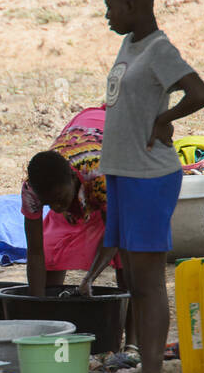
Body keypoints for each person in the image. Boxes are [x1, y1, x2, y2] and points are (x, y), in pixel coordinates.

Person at [83, 0, 204, 373]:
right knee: (135, 281)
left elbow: (199, 93)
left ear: (133, 6)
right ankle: (147, 367)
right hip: (123, 174)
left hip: (148, 177)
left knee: (149, 281)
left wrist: (166, 119)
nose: (106, 15)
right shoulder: (130, 43)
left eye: (111, 6)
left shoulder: (159, 49)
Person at [21, 105, 132, 350]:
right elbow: (36, 253)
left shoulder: (100, 175)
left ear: (73, 180)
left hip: (115, 135)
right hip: (79, 140)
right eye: (50, 204)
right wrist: (37, 314)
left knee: (127, 255)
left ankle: (131, 343)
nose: (57, 207)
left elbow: (115, 233)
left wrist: (90, 278)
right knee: (53, 250)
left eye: (60, 200)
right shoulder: (33, 190)